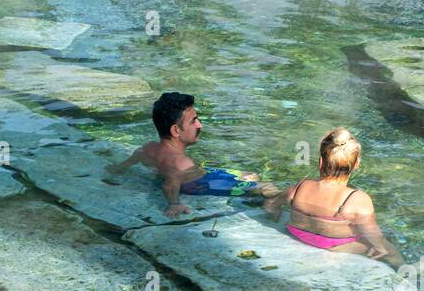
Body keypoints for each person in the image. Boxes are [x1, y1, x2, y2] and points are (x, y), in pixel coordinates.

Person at [105, 91, 277, 217]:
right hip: (201, 184)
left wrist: (118, 168)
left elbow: (137, 155)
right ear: (175, 130)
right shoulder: (180, 163)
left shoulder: (149, 148)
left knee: (251, 175)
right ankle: (274, 201)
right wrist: (174, 203)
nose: (199, 125)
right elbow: (170, 184)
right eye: (194, 121)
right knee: (265, 186)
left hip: (201, 174)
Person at [263, 127, 404, 267]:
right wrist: (379, 246)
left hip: (298, 235)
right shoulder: (357, 199)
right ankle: (404, 270)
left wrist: (274, 210)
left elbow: (271, 204)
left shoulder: (301, 187)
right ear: (356, 165)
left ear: (321, 162)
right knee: (388, 249)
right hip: (335, 248)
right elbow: (371, 231)